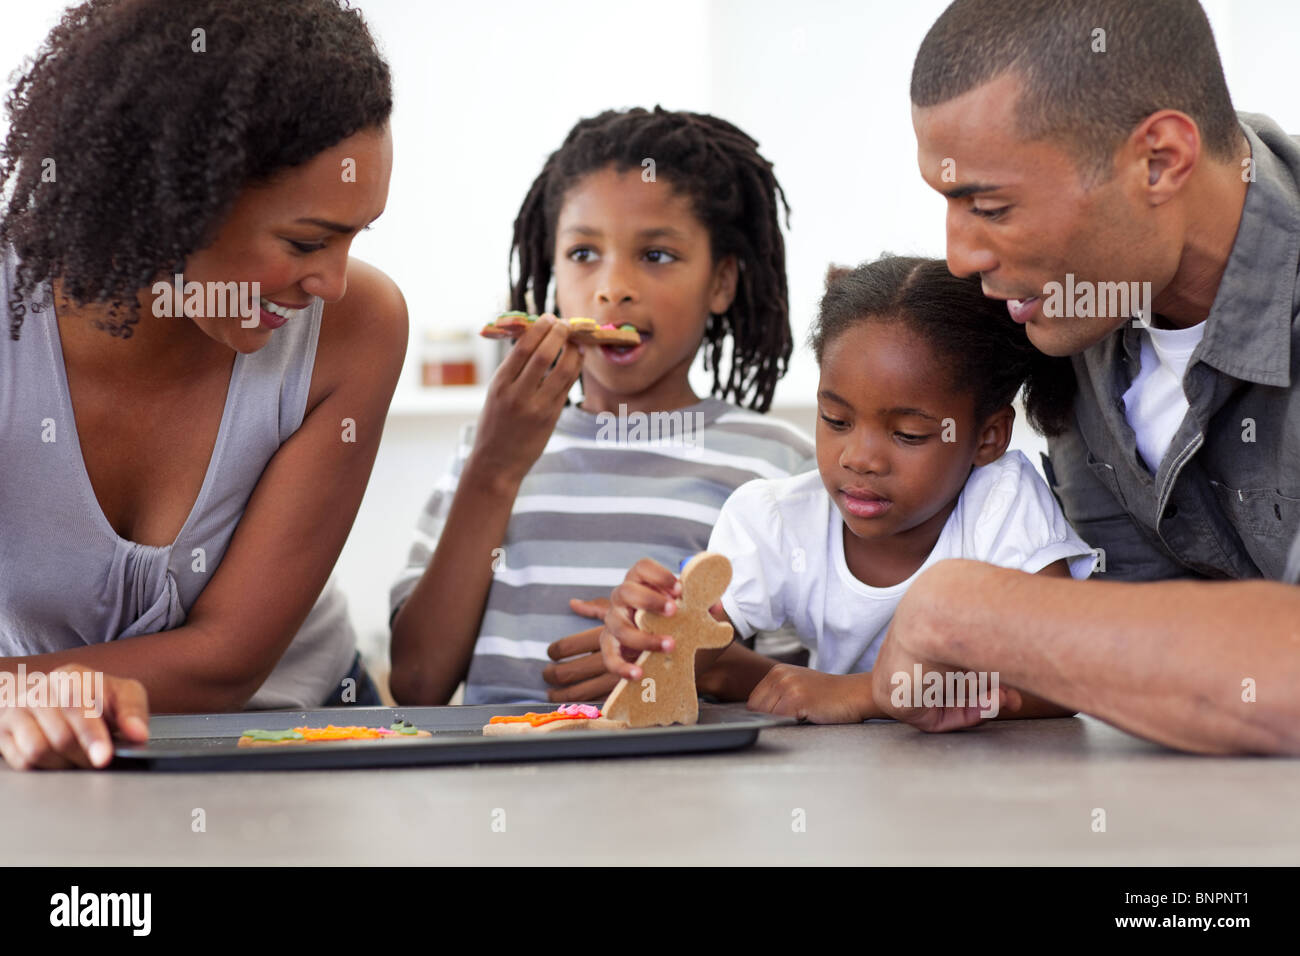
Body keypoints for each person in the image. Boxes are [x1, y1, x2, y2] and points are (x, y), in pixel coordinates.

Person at [878, 0, 1300, 752]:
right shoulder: (1082, 321)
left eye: (991, 205)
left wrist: (958, 608)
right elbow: (1135, 664)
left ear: (1160, 160)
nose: (960, 257)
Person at [0, 0, 407, 770]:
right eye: (307, 240)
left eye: (356, 236)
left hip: (298, 736)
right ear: (167, 195)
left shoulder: (358, 330)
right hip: (44, 754)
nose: (332, 280)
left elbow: (225, 662)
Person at [389, 107, 815, 707]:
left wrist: (680, 662)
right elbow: (416, 683)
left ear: (721, 283)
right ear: (553, 271)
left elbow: (799, 682)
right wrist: (495, 468)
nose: (613, 287)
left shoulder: (778, 465)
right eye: (584, 254)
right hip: (501, 789)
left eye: (657, 255)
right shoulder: (484, 452)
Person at [601, 256, 1094, 724]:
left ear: (987, 437)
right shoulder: (778, 519)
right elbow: (695, 644)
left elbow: (1059, 680)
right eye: (836, 420)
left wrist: (867, 694)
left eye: (907, 434)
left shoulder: (1001, 504)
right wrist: (655, 627)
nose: (859, 458)